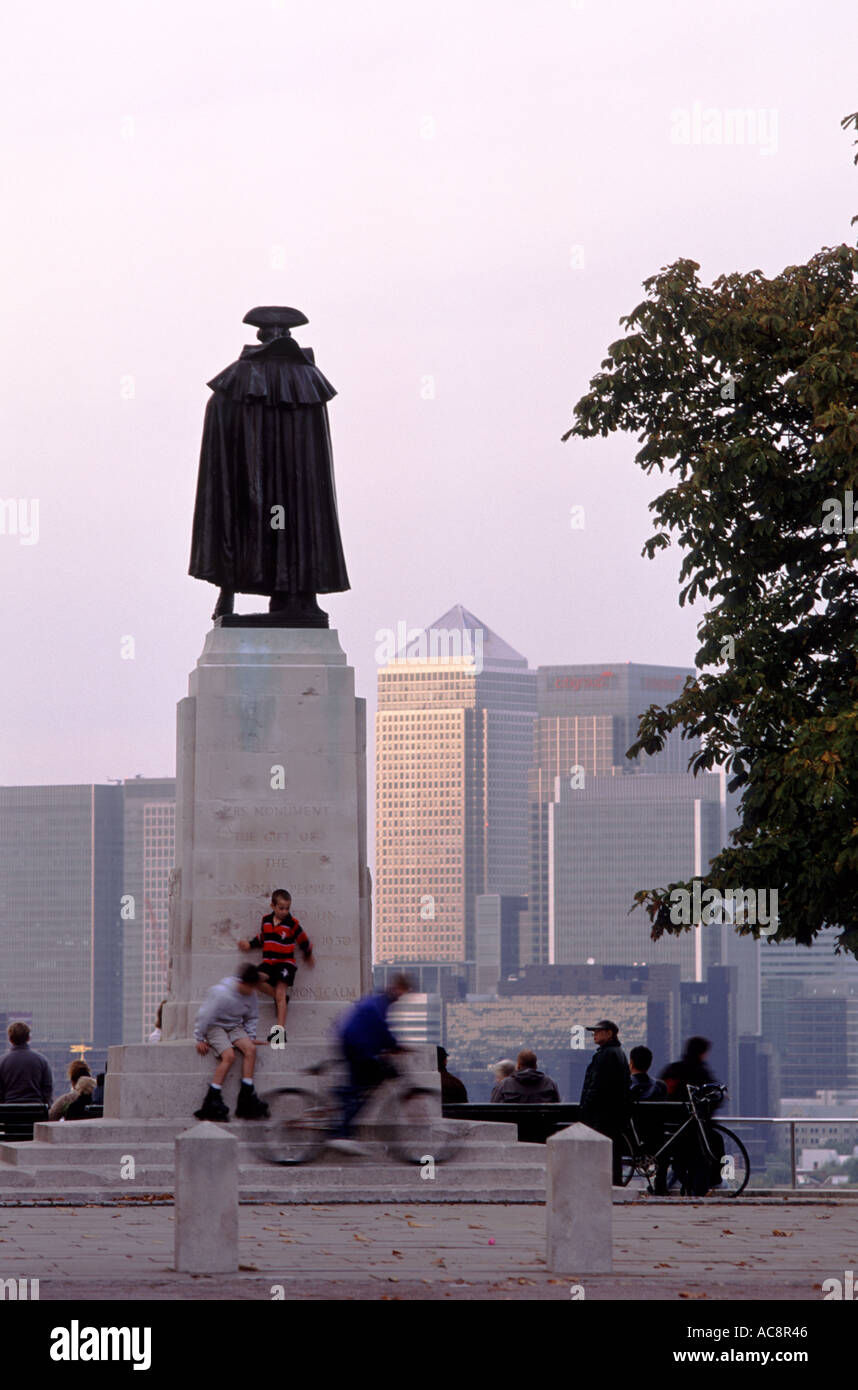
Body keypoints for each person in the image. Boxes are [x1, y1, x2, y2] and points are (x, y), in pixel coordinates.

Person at [329, 974, 413, 1153]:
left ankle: (344, 1115)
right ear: (398, 988)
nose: (401, 996)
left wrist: (389, 1046)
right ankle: (342, 1133)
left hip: (355, 1043)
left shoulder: (379, 1000)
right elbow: (381, 1027)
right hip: (357, 1045)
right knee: (363, 1086)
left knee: (361, 1085)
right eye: (402, 991)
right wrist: (395, 1045)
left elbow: (378, 1028)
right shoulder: (380, 1003)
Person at [193, 964, 269, 1121]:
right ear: (244, 984)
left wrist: (250, 1036)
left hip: (234, 1025)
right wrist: (199, 1038)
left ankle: (247, 1095)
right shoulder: (221, 993)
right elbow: (204, 1016)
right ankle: (212, 1098)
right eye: (252, 987)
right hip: (215, 1026)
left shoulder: (251, 994)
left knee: (250, 1050)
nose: (254, 991)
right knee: (229, 1056)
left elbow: (252, 1017)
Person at [239, 889, 314, 1043]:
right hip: (268, 962)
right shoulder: (266, 920)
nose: (284, 912)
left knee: (280, 991)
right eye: (281, 908)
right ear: (272, 906)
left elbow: (303, 939)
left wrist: (308, 954)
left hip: (285, 963)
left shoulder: (292, 923)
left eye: (287, 908)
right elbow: (262, 938)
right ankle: (280, 998)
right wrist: (250, 944)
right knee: (254, 979)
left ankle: (279, 1033)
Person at [660, 1037, 723, 1195]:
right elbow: (713, 1097)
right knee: (713, 1146)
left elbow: (661, 1091)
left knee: (679, 1158)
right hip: (695, 1128)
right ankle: (707, 1185)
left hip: (671, 1126)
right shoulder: (701, 1071)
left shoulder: (673, 1069)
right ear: (702, 1053)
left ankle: (673, 1184)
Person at [579, 1019, 631, 1184]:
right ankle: (614, 1183)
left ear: (609, 1033)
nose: (594, 1034)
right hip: (613, 1114)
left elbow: (597, 1085)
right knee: (612, 1153)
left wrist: (586, 1108)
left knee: (602, 1152)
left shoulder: (606, 1055)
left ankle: (604, 1185)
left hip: (602, 1115)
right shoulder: (618, 1053)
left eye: (598, 1031)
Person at [0, 1021, 52, 1107]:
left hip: (9, 1111)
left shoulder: (2, 1062)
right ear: (28, 1038)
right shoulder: (41, 1060)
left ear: (10, 1039)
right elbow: (47, 1088)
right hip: (36, 1110)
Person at [495, 1050, 560, 1103]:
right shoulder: (550, 1083)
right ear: (536, 1066)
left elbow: (494, 1108)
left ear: (518, 1066)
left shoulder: (504, 1085)